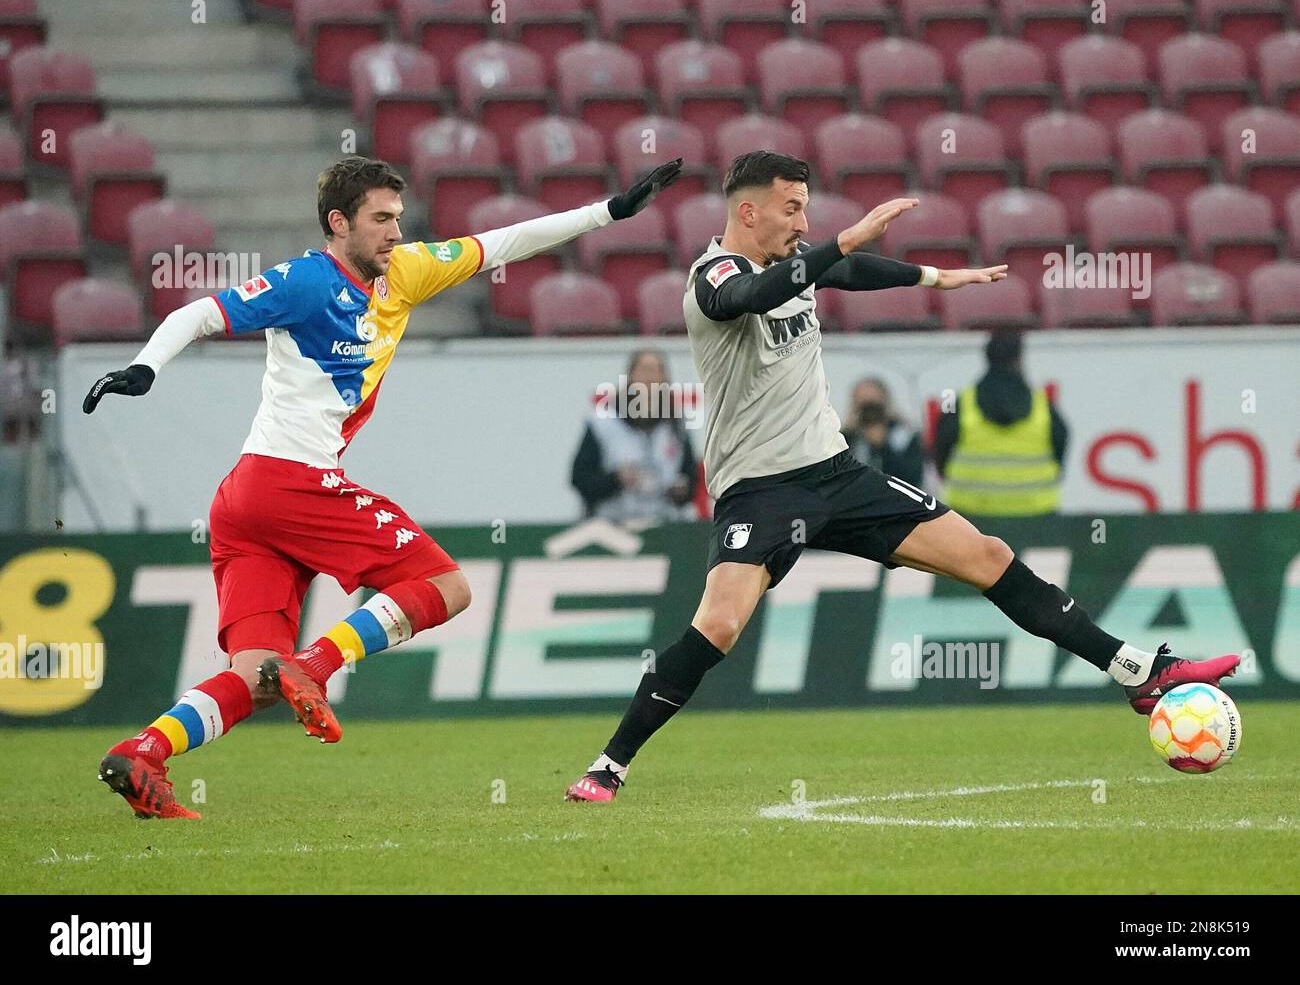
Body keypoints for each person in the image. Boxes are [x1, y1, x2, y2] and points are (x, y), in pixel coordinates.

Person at [563, 150, 1239, 803]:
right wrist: (842, 239)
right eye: (792, 208)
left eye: (807, 210)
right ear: (748, 211)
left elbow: (845, 274)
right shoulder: (711, 277)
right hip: (760, 491)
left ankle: (1140, 672)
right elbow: (761, 291)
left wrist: (935, 279)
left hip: (835, 473)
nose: (802, 223)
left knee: (987, 555)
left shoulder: (795, 261)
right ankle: (610, 763)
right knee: (719, 625)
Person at [83, 153, 682, 818]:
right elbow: (199, 313)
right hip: (292, 484)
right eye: (380, 220)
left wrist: (611, 211)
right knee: (446, 585)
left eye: (398, 217)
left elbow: (504, 242)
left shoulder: (407, 272)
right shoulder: (305, 281)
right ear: (338, 223)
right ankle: (317, 662)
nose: (396, 232)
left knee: (255, 677)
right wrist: (145, 367)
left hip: (246, 501)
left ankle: (143, 751)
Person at [933, 330, 1068, 517]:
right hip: (1036, 513)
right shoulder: (1042, 405)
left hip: (970, 516)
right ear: (1020, 359)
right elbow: (1061, 447)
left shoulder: (960, 403)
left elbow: (940, 449)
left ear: (986, 358)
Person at [570, 349, 698, 525]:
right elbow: (580, 478)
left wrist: (681, 490)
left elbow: (690, 477)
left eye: (657, 371)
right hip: (611, 526)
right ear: (630, 376)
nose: (650, 379)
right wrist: (616, 479)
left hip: (663, 526)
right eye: (644, 370)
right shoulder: (603, 422)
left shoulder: (676, 424)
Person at [841, 376, 925, 489]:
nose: (868, 413)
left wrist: (883, 446)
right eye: (862, 404)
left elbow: (913, 477)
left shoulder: (903, 435)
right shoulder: (846, 438)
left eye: (872, 405)